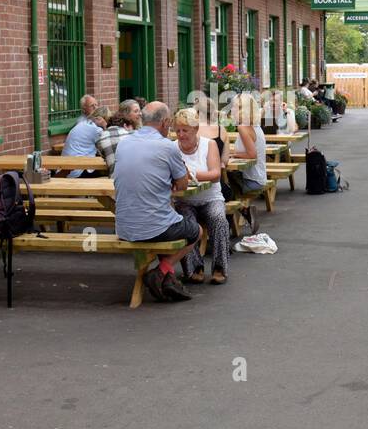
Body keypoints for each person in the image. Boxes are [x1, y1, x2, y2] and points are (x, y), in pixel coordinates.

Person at [113, 101, 202, 302]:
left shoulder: (124, 143)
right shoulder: (166, 146)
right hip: (154, 227)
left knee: (167, 218)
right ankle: (160, 273)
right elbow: (182, 186)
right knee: (196, 231)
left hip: (124, 228)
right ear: (164, 122)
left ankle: (168, 278)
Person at [172, 108, 230, 285]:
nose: (181, 135)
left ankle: (219, 267)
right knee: (184, 222)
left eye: (185, 130)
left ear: (196, 129)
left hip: (210, 197)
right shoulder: (172, 147)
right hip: (185, 200)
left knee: (218, 219)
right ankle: (194, 268)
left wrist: (190, 174)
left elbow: (215, 174)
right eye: (178, 130)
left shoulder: (209, 144)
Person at [231, 93, 268, 230]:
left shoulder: (243, 128)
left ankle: (241, 213)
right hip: (258, 177)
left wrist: (234, 155)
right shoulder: (254, 126)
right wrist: (235, 154)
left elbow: (252, 155)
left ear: (242, 109)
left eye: (234, 107)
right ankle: (240, 214)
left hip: (251, 180)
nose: (232, 110)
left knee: (221, 187)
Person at [62, 103, 107, 177]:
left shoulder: (83, 123)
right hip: (77, 171)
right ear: (101, 119)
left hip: (65, 169)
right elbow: (107, 148)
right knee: (106, 176)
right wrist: (105, 126)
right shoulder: (96, 130)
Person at [96, 99, 141, 171]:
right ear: (126, 115)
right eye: (136, 111)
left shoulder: (103, 136)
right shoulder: (131, 135)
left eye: (139, 111)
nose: (140, 114)